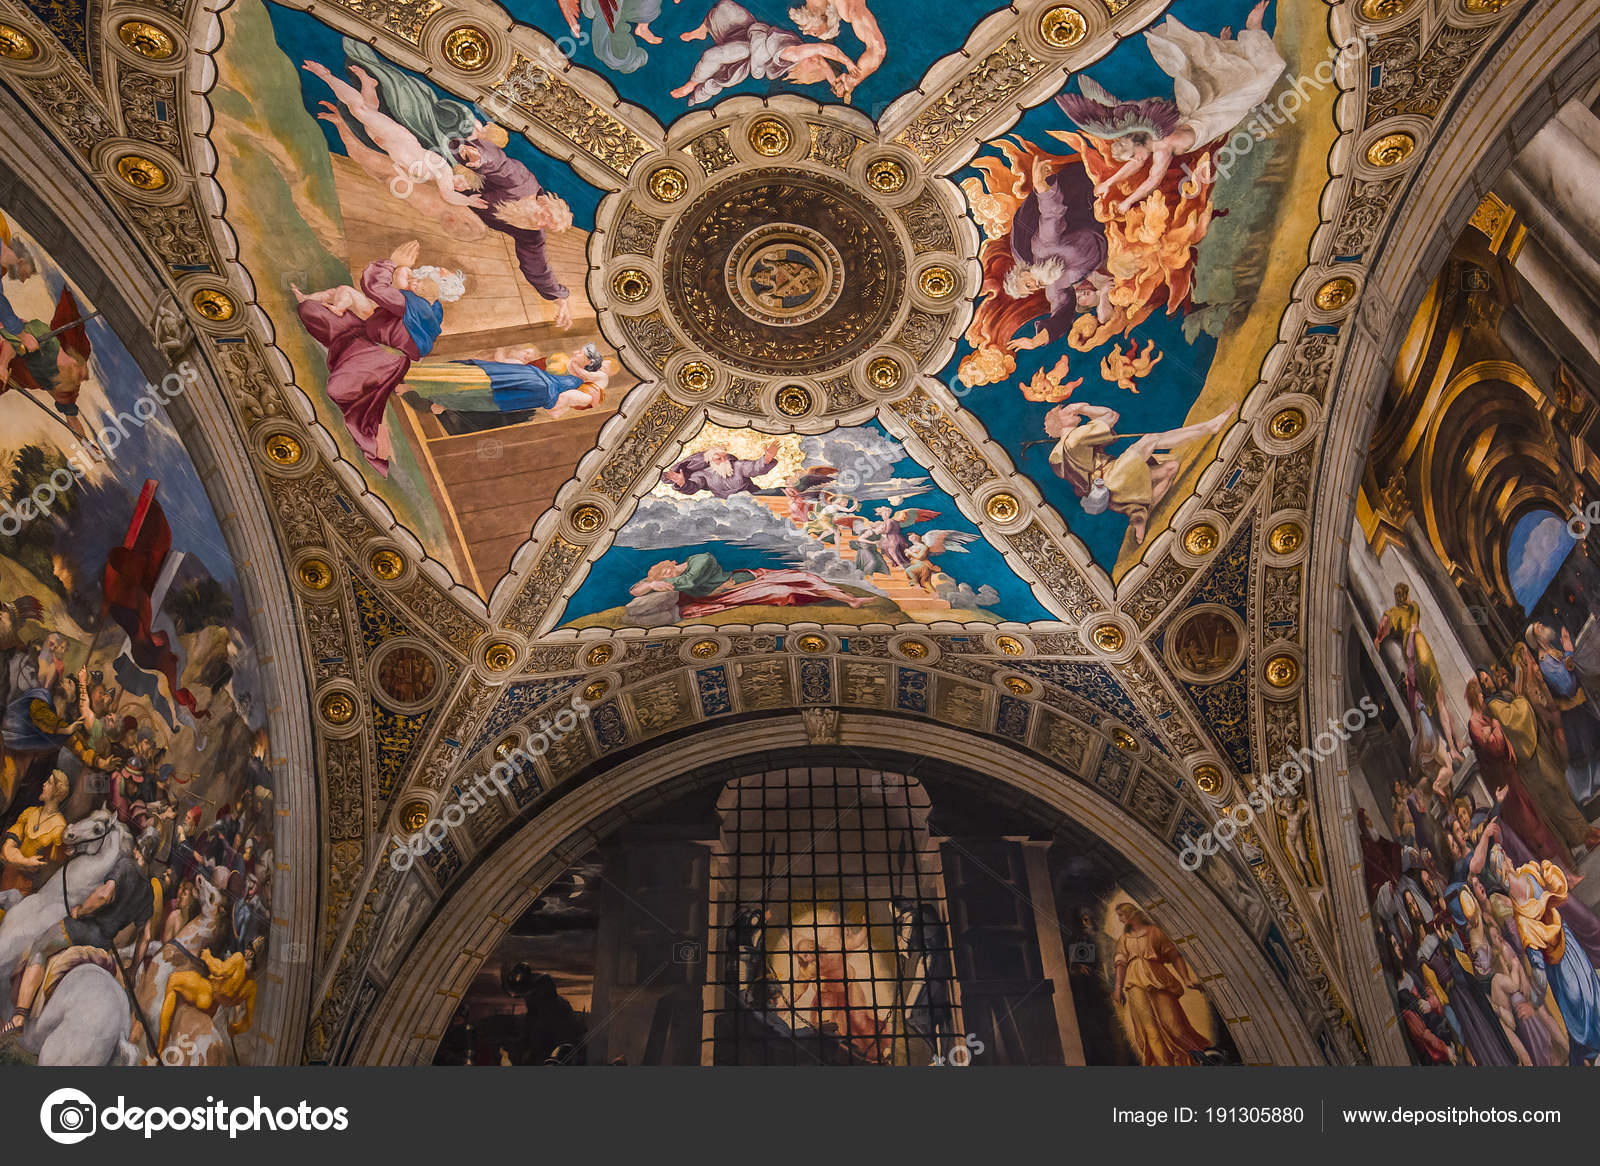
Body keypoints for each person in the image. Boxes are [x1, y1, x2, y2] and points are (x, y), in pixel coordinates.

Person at [1056, 2, 1285, 214]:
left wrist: (1127, 202)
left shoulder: (1163, 145)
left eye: (1133, 158)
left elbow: (1152, 180)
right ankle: (1225, 46)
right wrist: (1108, 183)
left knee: (1263, 78)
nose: (1136, 163)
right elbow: (1135, 163)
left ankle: (1249, 30)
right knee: (1216, 79)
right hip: (1198, 113)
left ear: (1137, 150)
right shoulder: (1150, 134)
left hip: (1214, 116)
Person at [293, 240, 464, 475]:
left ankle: (376, 438)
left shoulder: (416, 305)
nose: (413, 280)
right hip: (364, 337)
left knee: (338, 390)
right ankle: (347, 357)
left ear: (432, 288)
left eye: (419, 279)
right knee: (310, 309)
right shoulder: (426, 304)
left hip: (382, 357)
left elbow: (375, 287)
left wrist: (393, 262)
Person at [1042, 400, 1233, 543]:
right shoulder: (1076, 437)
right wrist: (1082, 407)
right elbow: (1111, 416)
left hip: (1106, 494)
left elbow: (1078, 475)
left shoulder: (1055, 456)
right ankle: (1211, 426)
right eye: (1064, 411)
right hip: (1111, 476)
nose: (1069, 409)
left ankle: (1141, 514)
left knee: (1170, 468)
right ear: (1060, 421)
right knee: (1150, 440)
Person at [450, 125, 575, 330]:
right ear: (543, 202)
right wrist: (479, 157)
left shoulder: (531, 233)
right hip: (459, 173)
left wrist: (561, 300)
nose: (540, 222)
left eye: (546, 224)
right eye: (544, 215)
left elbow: (537, 268)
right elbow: (501, 164)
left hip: (460, 206)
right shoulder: (521, 182)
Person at [672, 0, 859, 105]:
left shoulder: (793, 54)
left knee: (712, 56)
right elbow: (822, 62)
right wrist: (835, 80)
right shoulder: (806, 59)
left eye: (813, 62)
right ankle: (703, 30)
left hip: (751, 50)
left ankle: (691, 83)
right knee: (725, 7)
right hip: (753, 34)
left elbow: (822, 50)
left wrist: (847, 62)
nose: (815, 59)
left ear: (806, 68)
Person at [1111, 901, 1213, 1065]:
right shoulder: (1124, 939)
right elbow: (1120, 963)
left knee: (1175, 1027)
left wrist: (1186, 979)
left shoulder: (1155, 932)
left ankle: (1201, 1060)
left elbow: (1174, 955)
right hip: (1134, 984)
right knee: (1150, 1031)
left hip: (1159, 981)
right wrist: (1118, 987)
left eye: (1121, 915)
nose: (1120, 920)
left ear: (1130, 914)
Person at [1374, 583, 1465, 766]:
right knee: (1441, 701)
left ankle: (1453, 747)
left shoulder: (1392, 613)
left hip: (1412, 658)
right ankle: (1456, 746)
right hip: (1421, 649)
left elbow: (1383, 629)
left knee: (1434, 701)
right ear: (1407, 595)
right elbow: (1415, 627)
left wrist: (1378, 639)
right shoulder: (1414, 606)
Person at [628, 552, 873, 618]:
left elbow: (691, 580)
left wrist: (662, 582)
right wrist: (651, 585)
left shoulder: (701, 559)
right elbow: (635, 590)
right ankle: (847, 600)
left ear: (668, 567)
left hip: (747, 579)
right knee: (784, 593)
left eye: (665, 573)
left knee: (805, 577)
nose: (667, 577)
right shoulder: (669, 580)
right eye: (664, 576)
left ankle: (849, 599)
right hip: (729, 595)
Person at [409, 345, 610, 419]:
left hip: (534, 384)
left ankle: (440, 396)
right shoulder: (567, 365)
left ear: (589, 362)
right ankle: (434, 390)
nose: (576, 353)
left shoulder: (581, 379)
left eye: (581, 354)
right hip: (530, 380)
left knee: (488, 391)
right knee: (486, 384)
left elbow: (560, 407)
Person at [1526, 621, 1600, 805]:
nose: (1543, 625)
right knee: (1586, 748)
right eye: (1539, 628)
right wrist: (1569, 653)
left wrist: (1569, 654)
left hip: (1579, 706)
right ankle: (1588, 794)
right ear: (1537, 640)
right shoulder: (1545, 664)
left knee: (1593, 743)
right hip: (1573, 713)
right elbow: (1567, 687)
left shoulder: (1553, 651)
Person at [0, 768, 67, 894]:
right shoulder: (30, 813)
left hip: (30, 888)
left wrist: (17, 861)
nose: (44, 784)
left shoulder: (60, 827)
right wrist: (25, 862)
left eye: (49, 783)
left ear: (57, 792)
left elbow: (51, 870)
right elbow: (7, 847)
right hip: (8, 877)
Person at [663, 444, 780, 499]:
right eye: (719, 458)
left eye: (724, 456)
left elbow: (754, 467)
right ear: (710, 460)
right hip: (727, 507)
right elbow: (694, 486)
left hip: (752, 499)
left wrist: (767, 457)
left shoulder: (737, 466)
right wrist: (682, 483)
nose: (724, 460)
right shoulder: (704, 474)